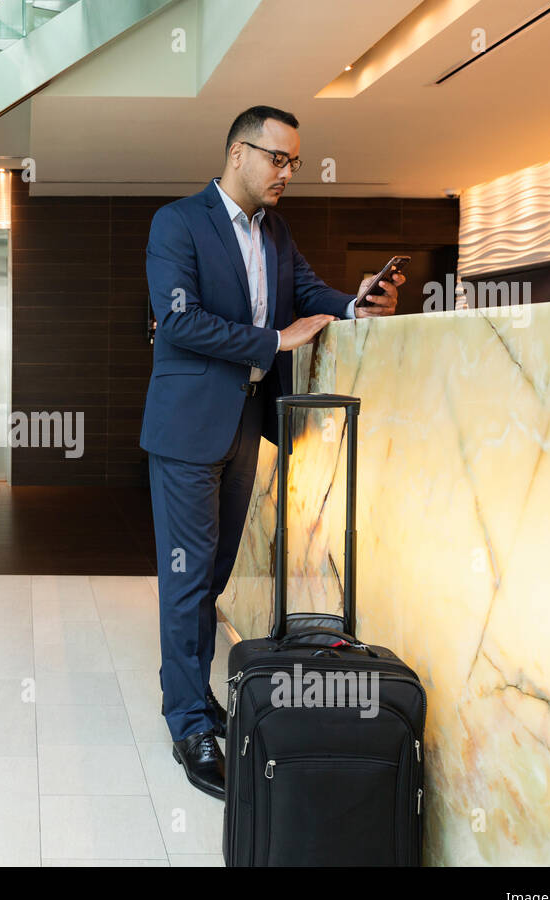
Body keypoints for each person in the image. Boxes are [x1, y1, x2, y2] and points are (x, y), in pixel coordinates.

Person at [140, 105, 405, 798]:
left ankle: (192, 690)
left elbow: (309, 293)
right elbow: (180, 319)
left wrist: (357, 304)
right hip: (186, 428)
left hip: (242, 425)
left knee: (215, 572)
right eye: (278, 159)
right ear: (238, 153)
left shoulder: (276, 232)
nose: (288, 172)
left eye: (295, 161)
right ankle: (188, 722)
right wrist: (273, 342)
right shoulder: (178, 223)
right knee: (189, 576)